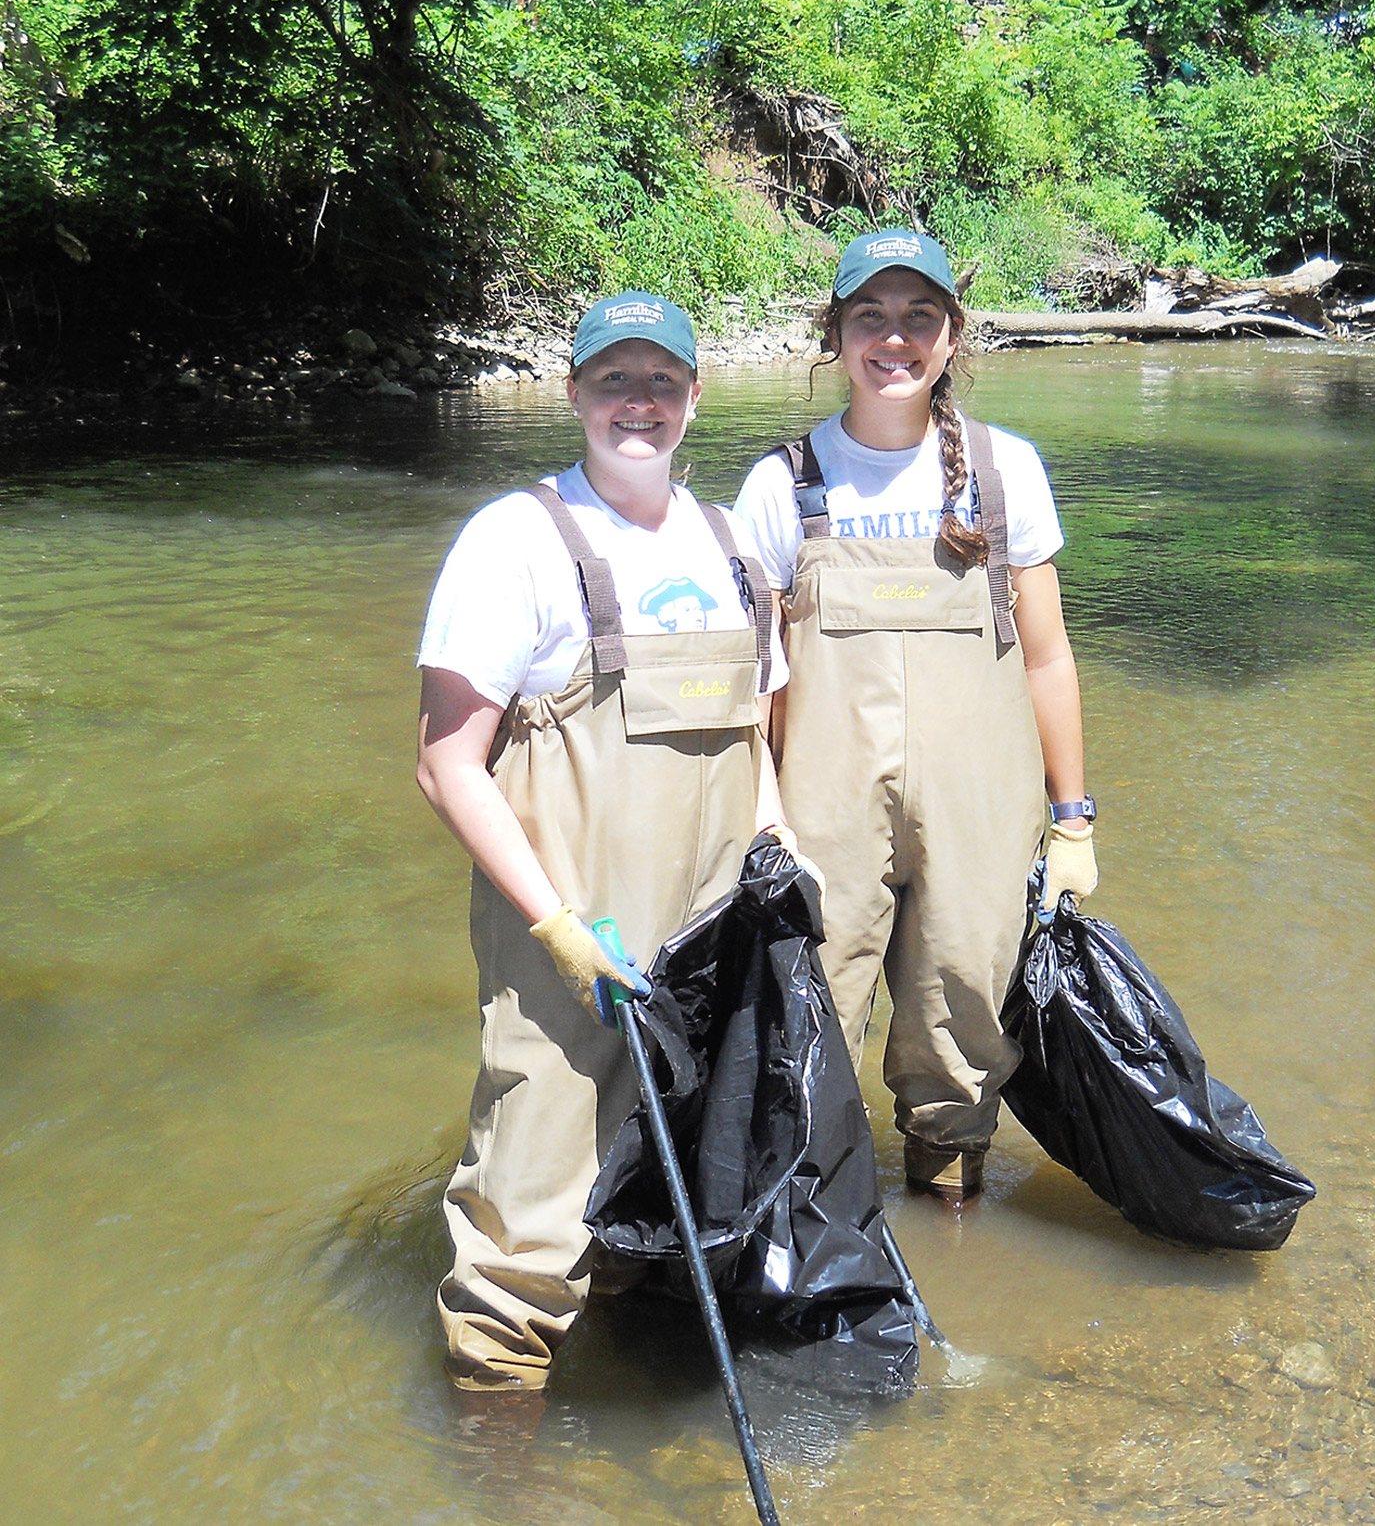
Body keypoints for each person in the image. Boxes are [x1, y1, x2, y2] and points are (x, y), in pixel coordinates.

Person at [416, 292, 794, 1393]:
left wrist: (784, 853)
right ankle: (499, 1436)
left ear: (694, 394)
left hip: (705, 930)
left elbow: (752, 739)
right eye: (615, 379)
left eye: (662, 379)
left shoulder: (727, 544)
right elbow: (446, 765)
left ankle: (632, 1356)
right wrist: (556, 928)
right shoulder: (515, 539)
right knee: (529, 1207)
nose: (640, 401)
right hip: (569, 936)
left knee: (680, 1172)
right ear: (573, 390)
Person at [733, 230, 1098, 1207]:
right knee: (809, 1018)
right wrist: (758, 819)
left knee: (964, 1022)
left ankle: (949, 1215)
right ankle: (808, 1225)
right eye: (870, 317)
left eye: (917, 317)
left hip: (980, 806)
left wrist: (1073, 819)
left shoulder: (1003, 469)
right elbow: (755, 681)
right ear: (836, 333)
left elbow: (1050, 655)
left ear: (951, 335)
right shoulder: (781, 483)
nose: (893, 339)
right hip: (822, 810)